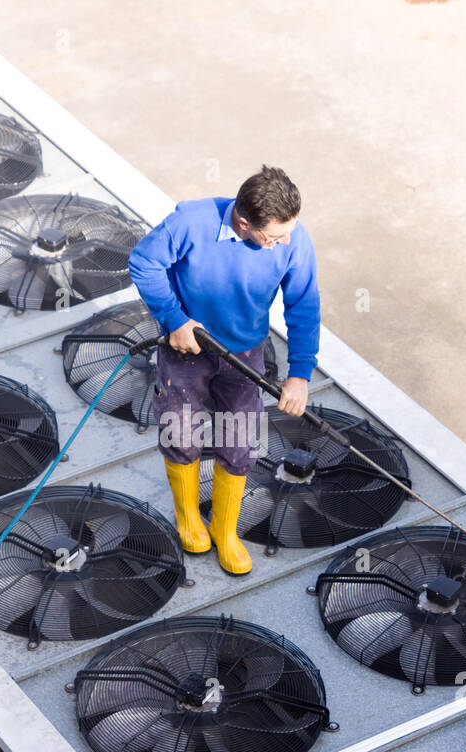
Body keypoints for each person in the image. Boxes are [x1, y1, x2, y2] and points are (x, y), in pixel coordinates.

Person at [127, 165, 321, 575]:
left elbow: (303, 304)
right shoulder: (191, 223)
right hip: (185, 350)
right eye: (274, 237)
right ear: (243, 221)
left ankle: (225, 529)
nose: (286, 242)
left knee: (240, 441)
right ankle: (188, 518)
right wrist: (175, 320)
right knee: (180, 434)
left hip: (245, 353)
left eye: (289, 232)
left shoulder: (293, 239)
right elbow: (144, 262)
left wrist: (299, 373)